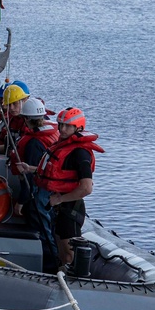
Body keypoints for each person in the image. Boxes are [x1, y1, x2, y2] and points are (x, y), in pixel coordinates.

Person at [34, 107, 105, 268]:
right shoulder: (64, 147)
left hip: (70, 208)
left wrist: (60, 199)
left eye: (67, 126)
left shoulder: (80, 153)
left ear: (78, 128)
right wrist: (31, 169)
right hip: (59, 206)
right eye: (60, 125)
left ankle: (69, 283)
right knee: (61, 251)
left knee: (68, 254)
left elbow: (86, 188)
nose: (62, 129)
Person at [11, 97, 61, 270]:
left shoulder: (34, 143)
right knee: (48, 229)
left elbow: (30, 177)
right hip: (51, 190)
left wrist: (21, 201)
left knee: (42, 231)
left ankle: (49, 267)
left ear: (26, 119)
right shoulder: (53, 134)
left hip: (40, 194)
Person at [0, 83, 29, 153]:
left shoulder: (29, 122)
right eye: (9, 105)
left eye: (15, 103)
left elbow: (22, 146)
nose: (11, 108)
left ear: (24, 101)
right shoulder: (10, 119)